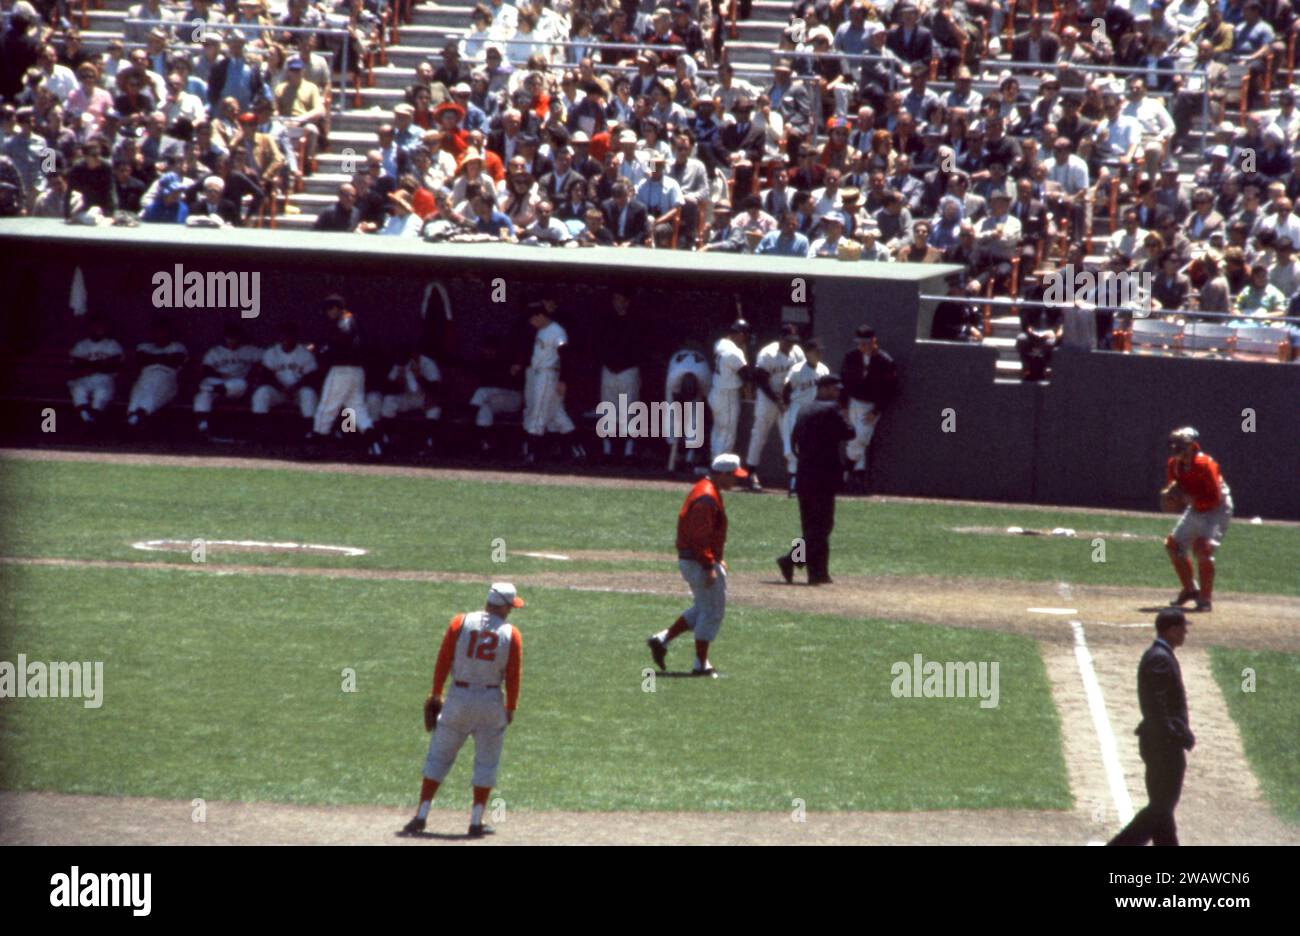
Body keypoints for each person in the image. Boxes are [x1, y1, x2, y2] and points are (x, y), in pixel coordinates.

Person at [399, 581, 525, 839]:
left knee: (438, 756)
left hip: (458, 696)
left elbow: (443, 659)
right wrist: (511, 706)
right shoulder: (511, 634)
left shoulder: (460, 622)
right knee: (486, 762)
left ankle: (421, 814)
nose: (511, 611)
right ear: (504, 606)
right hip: (490, 700)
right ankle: (476, 821)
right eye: (510, 607)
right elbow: (513, 676)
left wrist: (436, 693)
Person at [646, 454, 748, 677]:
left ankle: (662, 639)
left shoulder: (706, 489)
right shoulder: (706, 498)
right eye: (733, 476)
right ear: (722, 474)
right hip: (697, 561)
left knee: (703, 607)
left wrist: (714, 559)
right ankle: (700, 664)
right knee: (712, 612)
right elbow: (699, 537)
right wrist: (709, 565)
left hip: (694, 560)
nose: (736, 481)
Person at [1107, 608, 1195, 847]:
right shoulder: (1160, 658)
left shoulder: (1161, 655)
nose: (1186, 632)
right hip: (1162, 745)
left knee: (1162, 807)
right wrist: (1175, 734)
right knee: (1160, 808)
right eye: (1183, 627)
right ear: (1172, 629)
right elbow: (1157, 706)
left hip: (1160, 742)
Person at [777, 373, 855, 586]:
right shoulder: (832, 409)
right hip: (823, 475)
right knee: (823, 525)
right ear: (825, 389)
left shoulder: (804, 409)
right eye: (834, 389)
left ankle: (818, 572)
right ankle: (791, 560)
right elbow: (850, 432)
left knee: (811, 526)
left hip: (804, 473)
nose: (837, 393)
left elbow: (794, 440)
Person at [1162, 427, 1232, 613]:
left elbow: (1214, 498)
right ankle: (1190, 589)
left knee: (1202, 548)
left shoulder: (1205, 465)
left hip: (1217, 509)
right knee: (1173, 545)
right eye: (1175, 443)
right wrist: (1172, 496)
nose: (1176, 448)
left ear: (1192, 446)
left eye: (1181, 444)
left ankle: (1205, 599)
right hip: (1196, 506)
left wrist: (1188, 499)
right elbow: (1175, 488)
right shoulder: (1174, 464)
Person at [312, 294, 382, 457]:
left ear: (337, 308)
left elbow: (342, 340)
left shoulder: (345, 320)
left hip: (341, 370)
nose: (328, 313)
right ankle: (375, 444)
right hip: (357, 372)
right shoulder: (354, 320)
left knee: (327, 407)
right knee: (358, 409)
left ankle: (315, 444)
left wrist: (322, 349)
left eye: (329, 309)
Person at [518, 297, 585, 464]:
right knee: (557, 414)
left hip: (549, 375)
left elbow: (566, 355)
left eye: (533, 318)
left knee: (538, 412)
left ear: (540, 315)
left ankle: (532, 454)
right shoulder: (542, 330)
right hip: (541, 373)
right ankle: (578, 451)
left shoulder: (557, 331)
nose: (531, 322)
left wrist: (563, 380)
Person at [744, 324, 805, 490]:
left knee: (790, 436)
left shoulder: (797, 352)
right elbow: (760, 379)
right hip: (767, 397)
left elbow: (800, 376)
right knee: (759, 434)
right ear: (780, 338)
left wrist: (787, 398)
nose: (790, 344)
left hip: (787, 398)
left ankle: (794, 477)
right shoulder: (768, 353)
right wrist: (776, 399)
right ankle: (751, 473)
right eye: (787, 340)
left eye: (793, 340)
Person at [839, 325, 898, 493]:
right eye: (860, 343)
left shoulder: (885, 361)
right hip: (853, 402)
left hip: (871, 405)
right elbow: (843, 381)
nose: (862, 347)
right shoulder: (851, 357)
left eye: (866, 343)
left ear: (874, 342)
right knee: (853, 439)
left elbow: (891, 389)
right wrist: (843, 405)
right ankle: (857, 477)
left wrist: (877, 410)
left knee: (861, 438)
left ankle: (845, 470)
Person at [595, 290, 644, 461]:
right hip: (609, 370)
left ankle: (629, 451)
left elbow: (640, 348)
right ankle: (607, 450)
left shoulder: (636, 322)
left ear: (627, 302)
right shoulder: (606, 320)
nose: (617, 302)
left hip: (628, 370)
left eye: (620, 298)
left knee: (630, 409)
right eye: (615, 298)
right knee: (608, 409)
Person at [250, 321, 318, 438]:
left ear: (295, 336)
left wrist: (294, 388)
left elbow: (312, 377)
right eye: (283, 335)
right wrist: (282, 388)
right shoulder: (271, 352)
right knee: (262, 392)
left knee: (309, 393)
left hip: (298, 392)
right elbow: (266, 376)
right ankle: (260, 431)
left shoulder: (304, 353)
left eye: (289, 335)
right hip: (279, 391)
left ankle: (309, 431)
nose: (285, 338)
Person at [193, 323, 262, 436]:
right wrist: (219, 375)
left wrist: (255, 372)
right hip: (219, 382)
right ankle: (202, 427)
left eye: (235, 337)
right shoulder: (215, 351)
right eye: (229, 337)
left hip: (236, 386)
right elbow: (205, 369)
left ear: (240, 338)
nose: (232, 341)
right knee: (203, 395)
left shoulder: (250, 350)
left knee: (241, 383)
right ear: (224, 338)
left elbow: (268, 360)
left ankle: (210, 388)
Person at [780, 338, 830, 492]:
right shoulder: (797, 370)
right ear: (807, 353)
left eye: (820, 350)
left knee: (813, 447)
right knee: (792, 448)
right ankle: (794, 483)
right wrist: (786, 405)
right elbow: (786, 389)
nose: (819, 353)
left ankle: (809, 483)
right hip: (797, 409)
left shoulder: (824, 370)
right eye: (816, 351)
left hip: (814, 411)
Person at [126, 320, 188, 427]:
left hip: (166, 377)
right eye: (157, 332)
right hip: (146, 376)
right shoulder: (144, 346)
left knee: (154, 390)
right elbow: (141, 360)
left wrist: (152, 358)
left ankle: (136, 418)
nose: (159, 335)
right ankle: (132, 418)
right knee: (138, 392)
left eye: (163, 332)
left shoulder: (178, 347)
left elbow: (174, 361)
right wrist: (163, 358)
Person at [68, 315, 124, 428]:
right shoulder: (82, 345)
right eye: (96, 326)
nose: (99, 329)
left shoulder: (112, 344)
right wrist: (100, 364)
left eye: (102, 326)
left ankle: (92, 421)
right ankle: (86, 419)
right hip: (85, 377)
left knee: (101, 392)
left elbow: (114, 364)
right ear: (90, 327)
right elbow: (76, 363)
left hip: (105, 377)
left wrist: (90, 366)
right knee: (78, 390)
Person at [708, 319, 750, 461]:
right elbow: (746, 375)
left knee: (718, 430)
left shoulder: (720, 344)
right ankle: (720, 467)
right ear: (740, 334)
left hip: (716, 392)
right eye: (744, 335)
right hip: (727, 395)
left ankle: (714, 461)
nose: (745, 339)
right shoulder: (735, 352)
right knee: (727, 432)